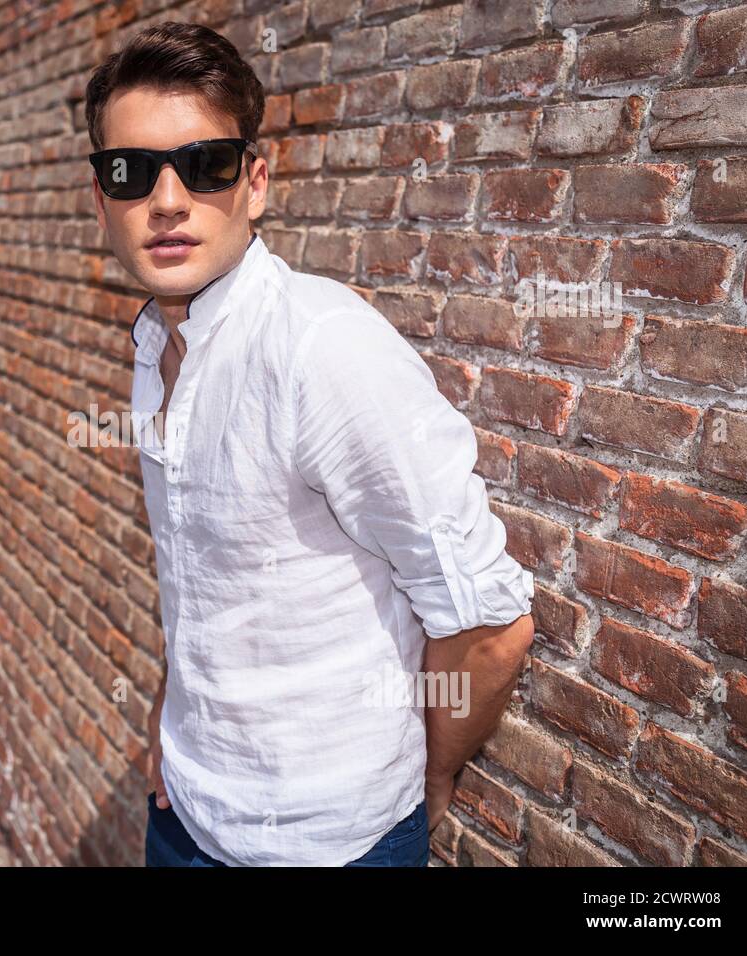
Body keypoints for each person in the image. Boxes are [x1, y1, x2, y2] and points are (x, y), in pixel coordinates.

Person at [85, 21, 536, 867]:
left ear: (255, 183)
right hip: (183, 811)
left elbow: (489, 622)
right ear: (102, 198)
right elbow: (201, 576)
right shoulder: (158, 346)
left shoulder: (320, 350)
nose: (169, 200)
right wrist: (167, 715)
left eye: (206, 164)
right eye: (132, 171)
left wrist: (432, 780)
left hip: (328, 845)